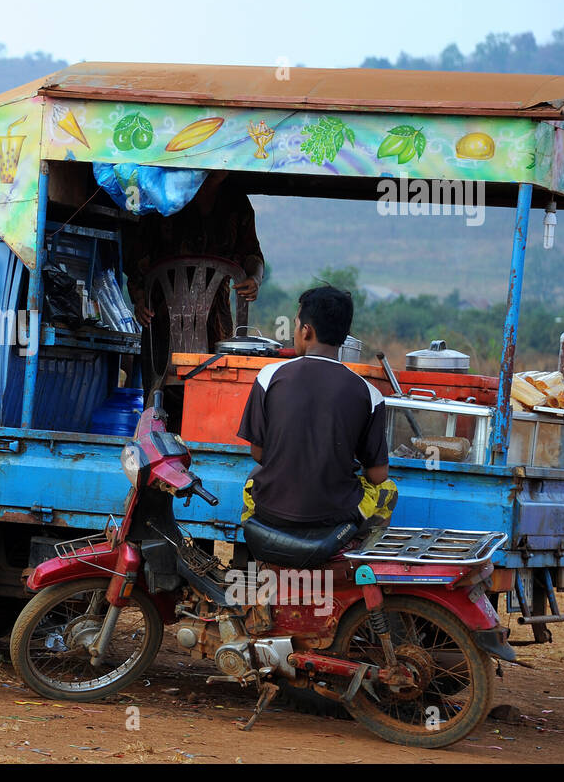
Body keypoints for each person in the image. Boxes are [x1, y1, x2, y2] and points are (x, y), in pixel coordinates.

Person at [235, 285, 396, 534]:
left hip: (270, 509)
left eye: (297, 325)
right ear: (343, 336)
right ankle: (357, 557)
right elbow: (377, 474)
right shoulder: (369, 393)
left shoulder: (269, 376)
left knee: (253, 479)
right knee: (388, 490)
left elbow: (258, 453)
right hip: (336, 517)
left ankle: (260, 553)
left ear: (306, 331)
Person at [125, 169, 265, 351]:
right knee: (168, 370)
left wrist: (255, 278)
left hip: (215, 319)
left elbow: (252, 254)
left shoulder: (236, 202)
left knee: (214, 371)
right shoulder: (163, 194)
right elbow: (139, 257)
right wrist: (140, 299)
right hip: (163, 315)